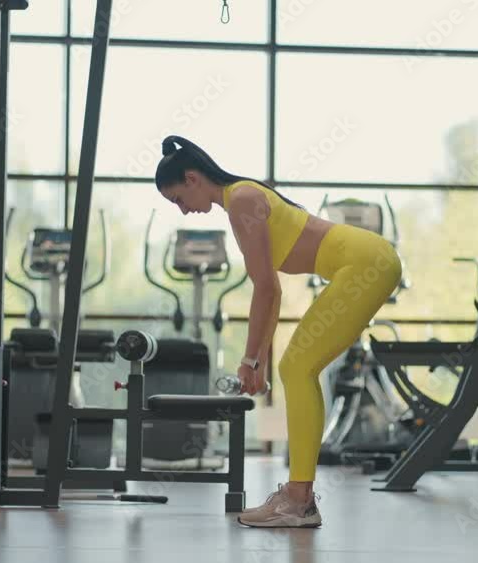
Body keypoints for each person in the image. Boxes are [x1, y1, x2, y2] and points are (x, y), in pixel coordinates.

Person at [154, 136, 402, 528]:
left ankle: (299, 500)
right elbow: (271, 292)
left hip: (366, 262)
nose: (184, 211)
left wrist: (250, 359)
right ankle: (298, 497)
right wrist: (259, 362)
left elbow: (267, 289)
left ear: (191, 178)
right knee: (297, 368)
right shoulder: (241, 197)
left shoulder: (241, 201)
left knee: (298, 368)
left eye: (179, 199)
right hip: (367, 261)